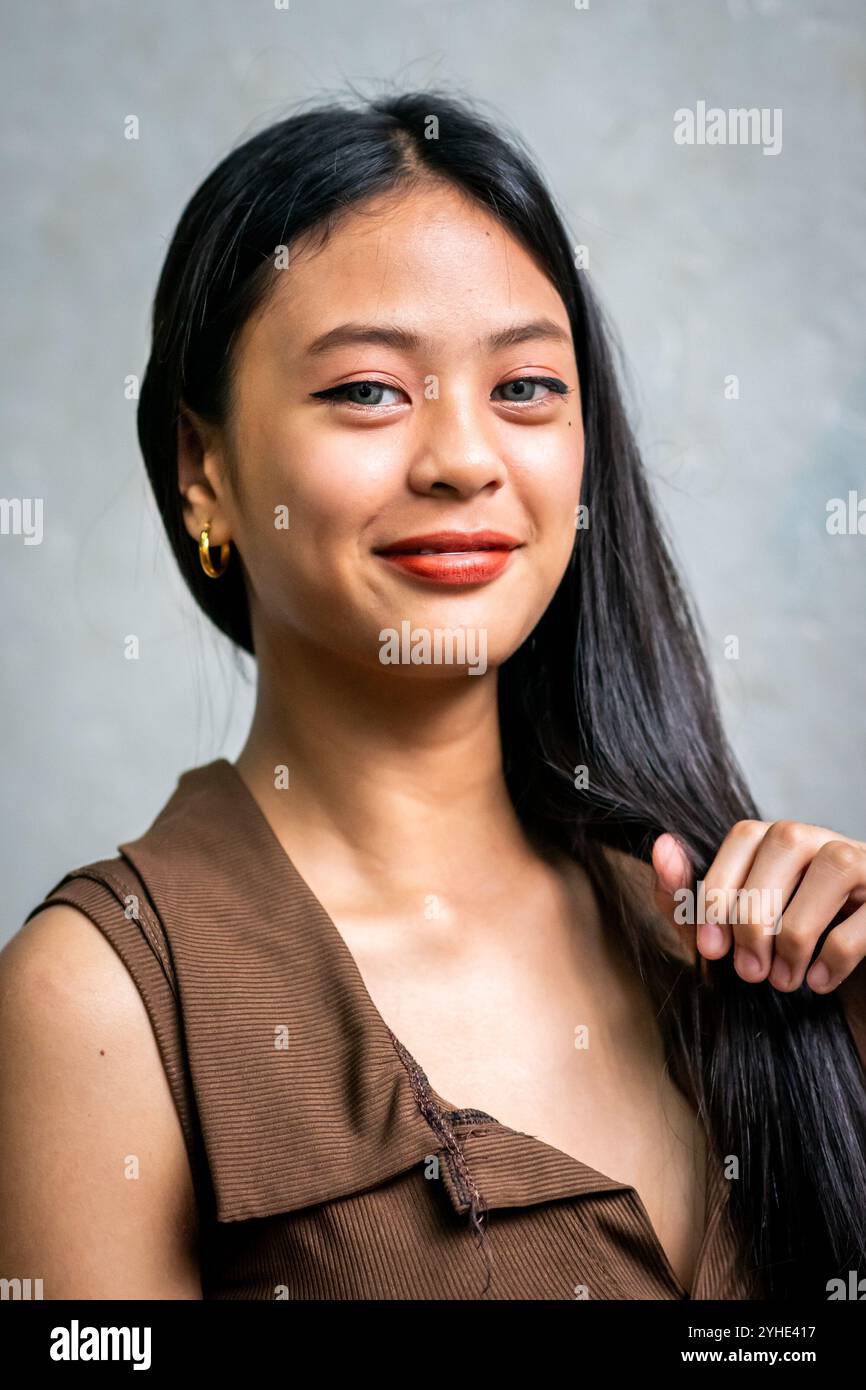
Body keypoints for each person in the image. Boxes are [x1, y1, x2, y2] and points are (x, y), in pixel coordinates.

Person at [2, 89, 865, 1302]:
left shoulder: (729, 928)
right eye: (367, 389)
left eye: (522, 388)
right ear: (203, 471)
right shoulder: (98, 1000)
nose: (463, 458)